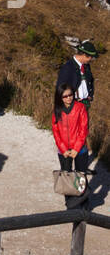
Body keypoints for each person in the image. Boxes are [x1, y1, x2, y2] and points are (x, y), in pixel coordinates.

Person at [52, 82, 90, 210]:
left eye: (71, 95)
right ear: (60, 97)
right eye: (65, 96)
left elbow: (83, 129)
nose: (69, 98)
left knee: (81, 178)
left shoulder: (80, 108)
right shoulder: (57, 110)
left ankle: (83, 206)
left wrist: (76, 148)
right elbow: (55, 131)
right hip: (64, 150)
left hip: (80, 149)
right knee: (66, 178)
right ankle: (70, 206)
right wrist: (63, 149)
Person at [58, 40, 97, 113]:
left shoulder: (86, 66)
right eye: (90, 57)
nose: (91, 60)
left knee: (84, 124)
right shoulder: (68, 67)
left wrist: (90, 95)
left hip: (85, 104)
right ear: (85, 55)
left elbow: (91, 81)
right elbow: (60, 88)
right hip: (72, 106)